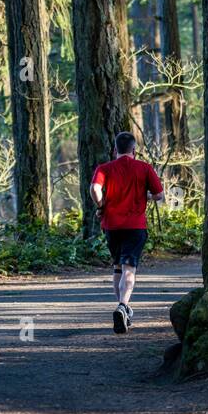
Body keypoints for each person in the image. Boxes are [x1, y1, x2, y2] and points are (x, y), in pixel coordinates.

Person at [89, 132, 165, 334]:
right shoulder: (144, 168)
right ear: (134, 150)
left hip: (111, 226)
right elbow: (159, 195)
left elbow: (95, 189)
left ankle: (122, 307)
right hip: (135, 226)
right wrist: (144, 196)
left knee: (117, 268)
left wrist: (101, 204)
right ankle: (123, 306)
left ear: (115, 149)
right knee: (129, 268)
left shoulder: (104, 168)